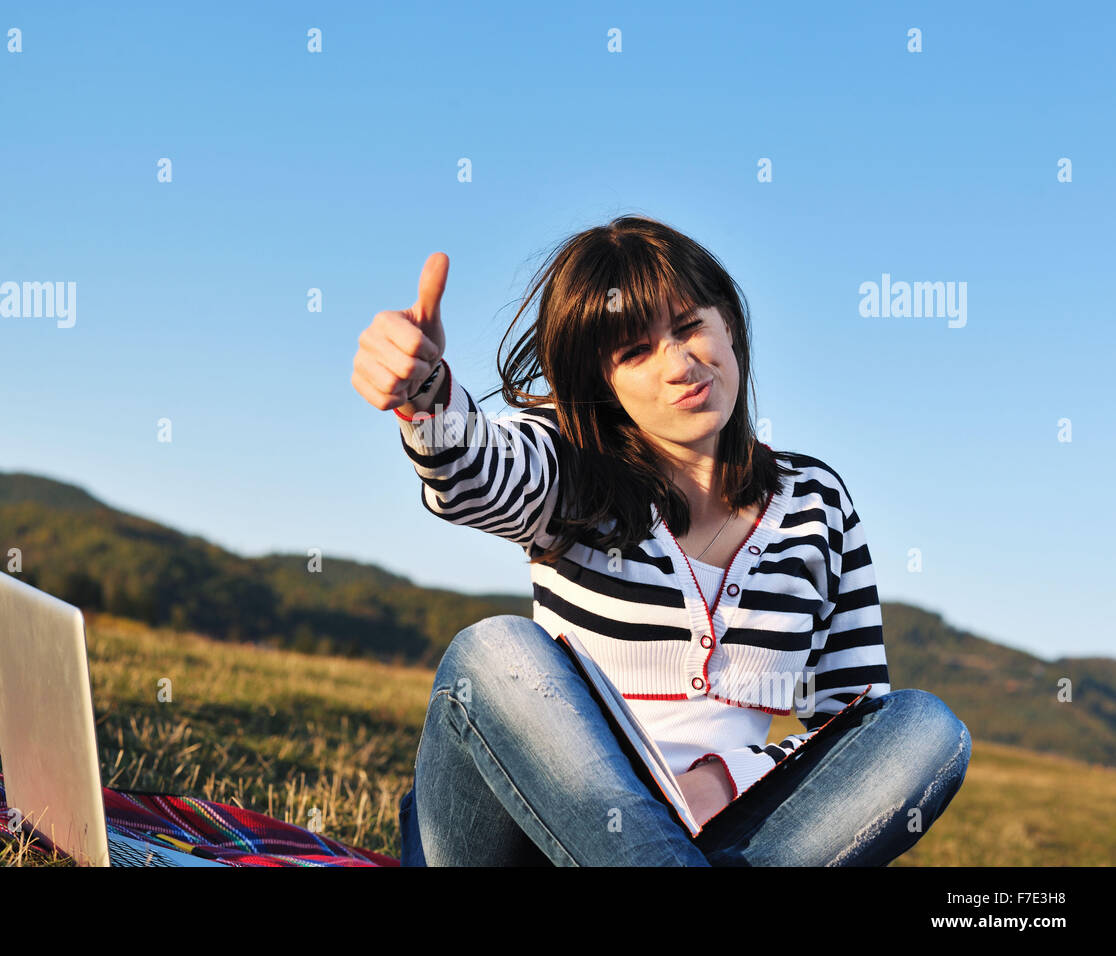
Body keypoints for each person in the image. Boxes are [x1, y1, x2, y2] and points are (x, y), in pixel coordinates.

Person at [350, 215, 971, 866]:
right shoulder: (572, 465)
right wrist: (427, 395)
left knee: (922, 726)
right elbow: (480, 470)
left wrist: (725, 777)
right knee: (495, 650)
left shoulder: (815, 504)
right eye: (634, 353)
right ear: (604, 386)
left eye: (688, 326)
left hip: (724, 836)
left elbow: (853, 729)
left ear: (728, 321)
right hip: (520, 840)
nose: (679, 365)